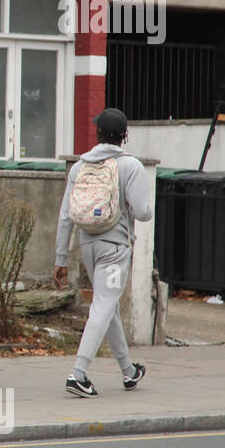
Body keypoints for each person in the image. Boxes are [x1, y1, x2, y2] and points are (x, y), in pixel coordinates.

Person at [54, 108, 152, 397]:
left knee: (107, 307)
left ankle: (128, 371)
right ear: (124, 136)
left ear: (97, 133)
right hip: (115, 249)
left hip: (89, 246)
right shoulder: (131, 166)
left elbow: (65, 216)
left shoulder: (80, 166)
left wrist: (61, 259)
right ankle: (78, 374)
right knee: (103, 306)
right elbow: (144, 212)